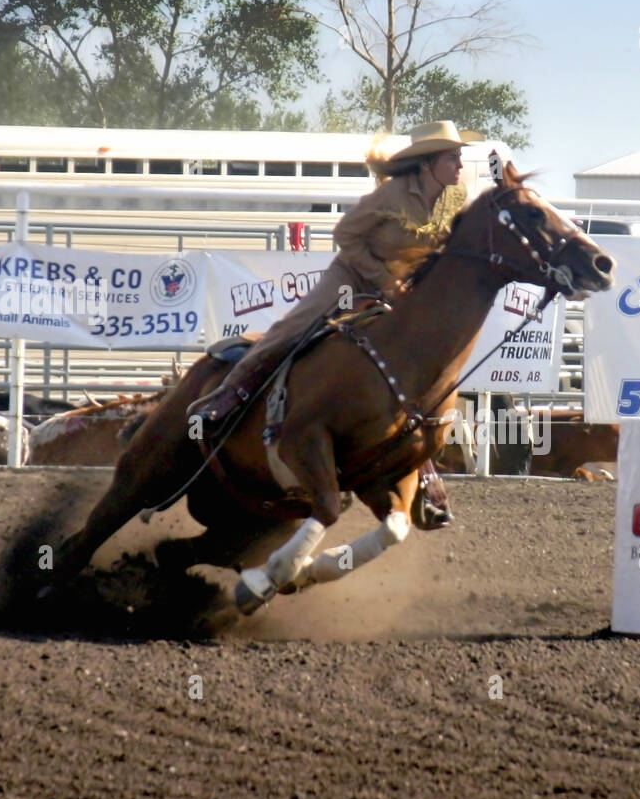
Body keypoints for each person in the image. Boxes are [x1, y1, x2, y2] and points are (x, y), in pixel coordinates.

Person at [190, 120, 477, 527]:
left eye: (459, 156)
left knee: (416, 374)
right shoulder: (392, 194)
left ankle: (425, 481)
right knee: (291, 331)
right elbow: (346, 235)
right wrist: (383, 282)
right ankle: (226, 396)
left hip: (401, 290)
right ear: (429, 164)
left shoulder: (456, 199)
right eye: (452, 157)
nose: (460, 163)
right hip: (352, 278)